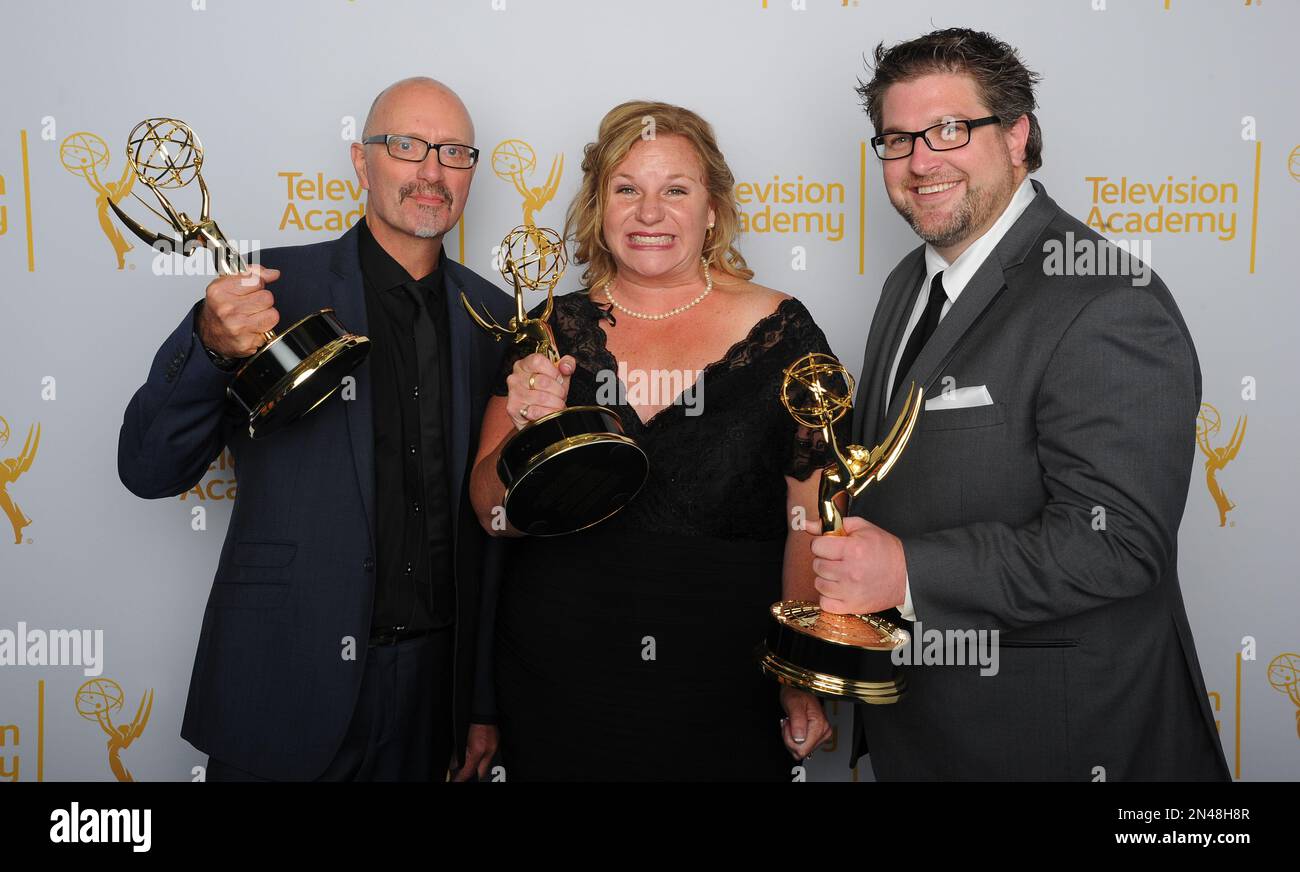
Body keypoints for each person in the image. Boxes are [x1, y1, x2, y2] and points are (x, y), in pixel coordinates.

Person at [808, 29, 1231, 780]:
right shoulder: (909, 281)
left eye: (949, 129)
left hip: (1060, 737)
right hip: (924, 725)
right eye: (897, 139)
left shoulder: (1106, 299)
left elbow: (1118, 543)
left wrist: (905, 571)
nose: (920, 161)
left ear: (1017, 136)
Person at [118, 77, 515, 781]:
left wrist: (479, 701)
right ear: (362, 164)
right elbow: (149, 469)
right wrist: (211, 346)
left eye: (454, 152)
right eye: (406, 146)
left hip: (433, 701)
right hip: (282, 681)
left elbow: (494, 533)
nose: (431, 171)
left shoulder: (493, 315)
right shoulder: (268, 292)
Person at [469, 101, 834, 781]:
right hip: (558, 685)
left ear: (713, 209)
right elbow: (491, 515)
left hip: (727, 685)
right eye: (627, 188)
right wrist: (526, 431)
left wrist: (800, 671)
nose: (649, 212)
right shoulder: (549, 330)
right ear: (598, 205)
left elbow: (810, 521)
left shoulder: (785, 333)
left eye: (675, 190)